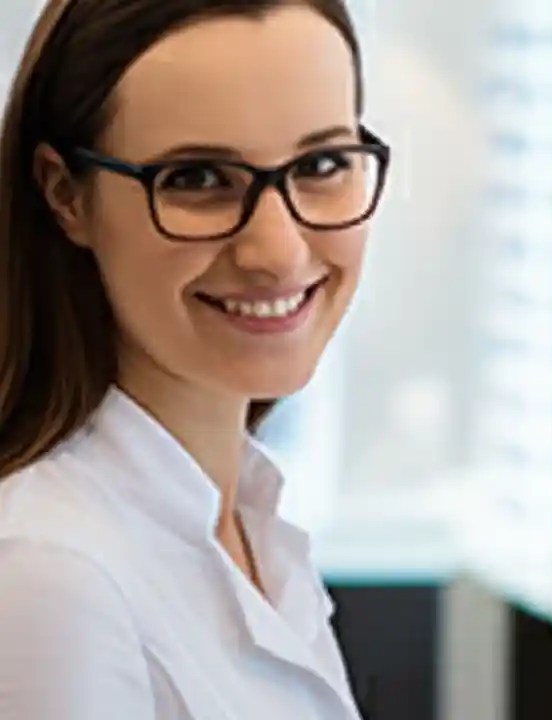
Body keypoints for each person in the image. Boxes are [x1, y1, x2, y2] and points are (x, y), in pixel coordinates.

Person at [0, 0, 390, 717]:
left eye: (323, 163)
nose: (277, 252)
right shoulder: (51, 576)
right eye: (198, 179)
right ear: (65, 195)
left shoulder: (249, 521)